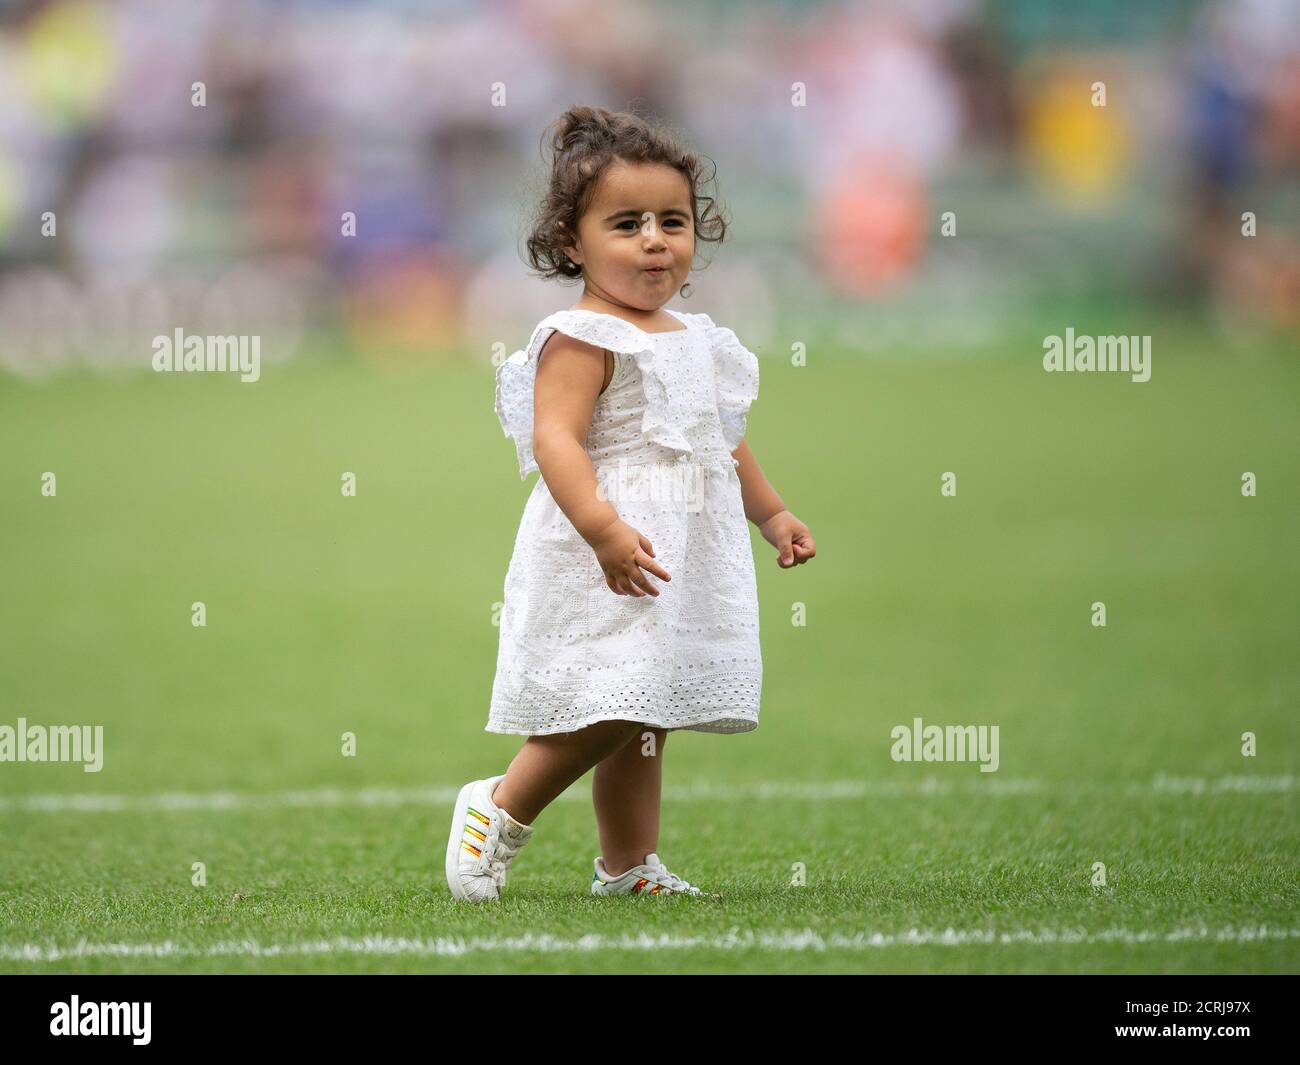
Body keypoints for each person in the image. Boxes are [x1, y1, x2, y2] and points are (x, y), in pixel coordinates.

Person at [446, 105, 816, 903]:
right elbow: (557, 442)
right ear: (572, 242)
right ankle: (500, 805)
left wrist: (772, 513)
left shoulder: (694, 338)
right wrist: (605, 531)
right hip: (606, 550)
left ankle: (627, 863)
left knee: (647, 715)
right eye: (627, 223)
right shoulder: (581, 336)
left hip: (678, 551)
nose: (655, 239)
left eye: (672, 221)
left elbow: (717, 441)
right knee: (610, 701)